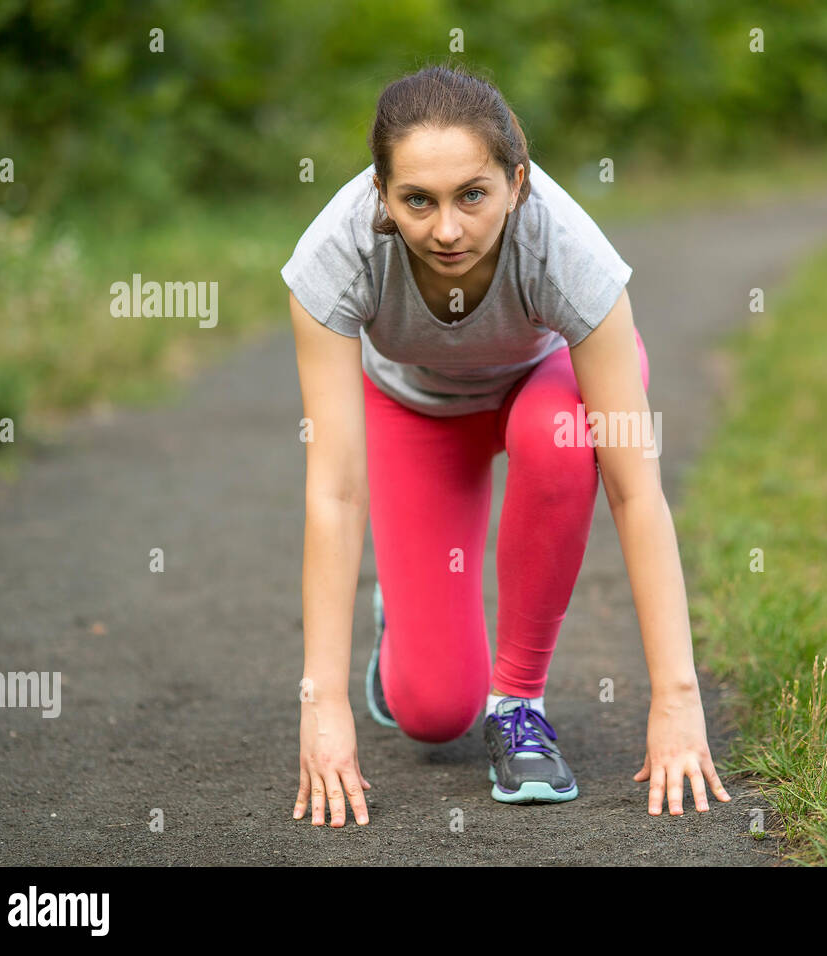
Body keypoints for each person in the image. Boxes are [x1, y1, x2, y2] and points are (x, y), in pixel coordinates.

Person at [282, 62, 730, 826]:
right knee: (430, 713)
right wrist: (321, 707)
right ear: (380, 194)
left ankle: (519, 703)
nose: (447, 229)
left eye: (473, 195)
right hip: (418, 409)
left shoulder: (566, 250)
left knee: (559, 434)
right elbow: (335, 490)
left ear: (517, 183)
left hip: (544, 385)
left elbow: (634, 489)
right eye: (417, 200)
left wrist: (677, 699)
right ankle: (407, 618)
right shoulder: (336, 254)